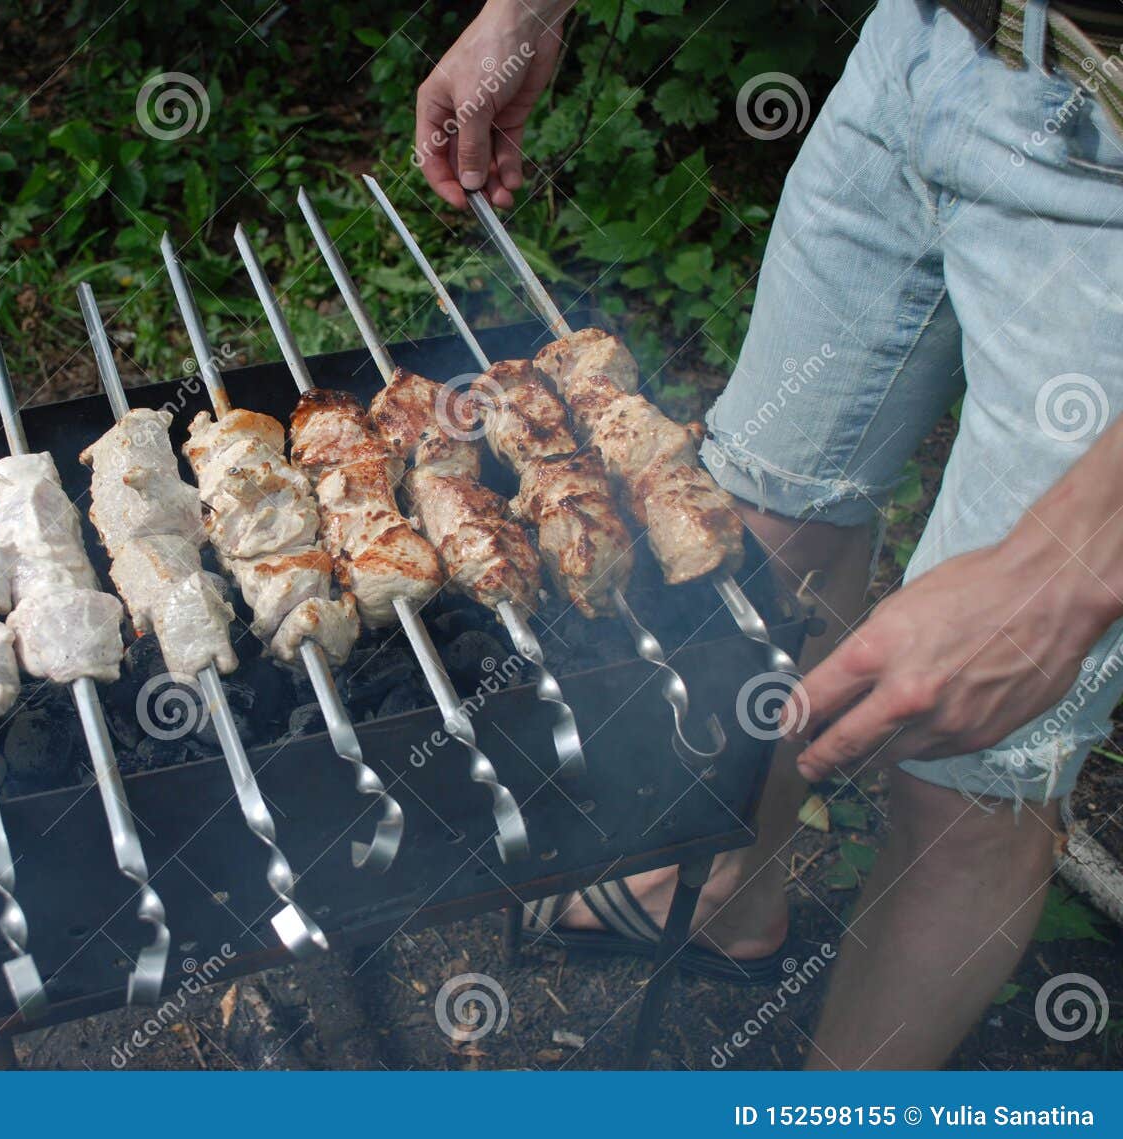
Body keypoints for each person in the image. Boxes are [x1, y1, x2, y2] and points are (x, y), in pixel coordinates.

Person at [416, 0, 1123, 1068]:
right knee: (757, 537)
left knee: (978, 765)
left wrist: (1060, 576)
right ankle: (726, 892)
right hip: (922, 50)